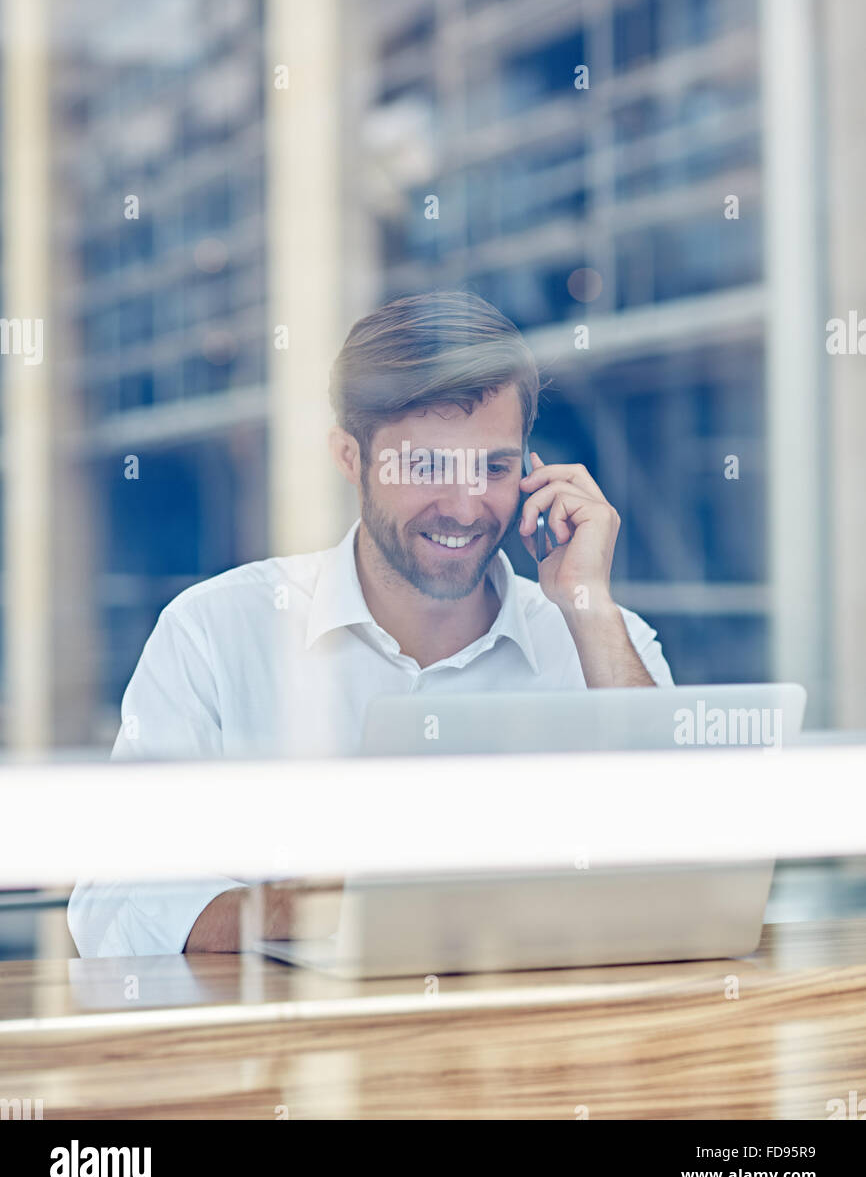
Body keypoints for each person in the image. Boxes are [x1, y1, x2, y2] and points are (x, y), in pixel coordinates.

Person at [67, 291, 672, 956]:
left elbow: (694, 864)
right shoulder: (214, 632)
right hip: (301, 1051)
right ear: (350, 458)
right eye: (425, 466)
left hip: (534, 1048)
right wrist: (305, 909)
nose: (465, 506)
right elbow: (111, 901)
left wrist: (586, 601)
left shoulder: (601, 638)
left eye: (494, 467)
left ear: (530, 468)